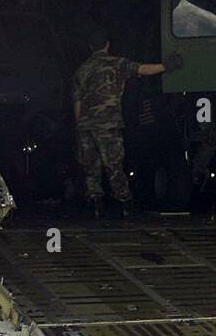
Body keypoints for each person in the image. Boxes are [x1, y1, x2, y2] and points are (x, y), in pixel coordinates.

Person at [72, 28, 170, 216]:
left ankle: (95, 202)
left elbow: (77, 102)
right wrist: (167, 66)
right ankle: (125, 202)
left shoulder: (81, 70)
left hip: (86, 125)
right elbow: (142, 69)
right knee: (114, 164)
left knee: (91, 166)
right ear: (107, 45)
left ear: (90, 46)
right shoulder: (117, 64)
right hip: (108, 123)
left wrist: (80, 127)